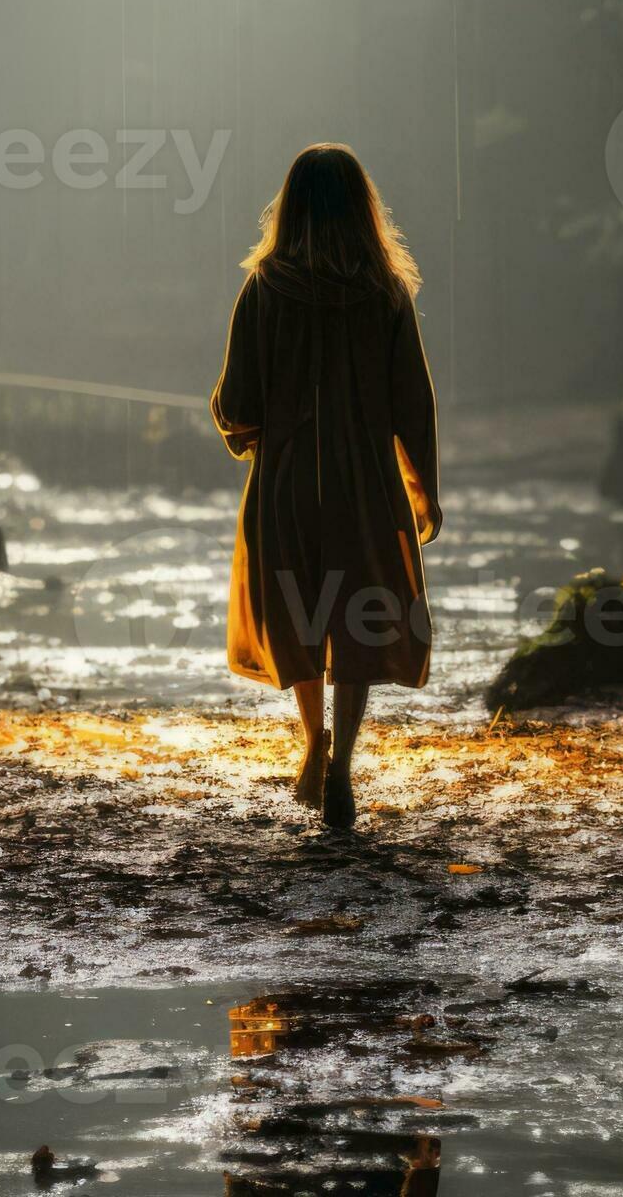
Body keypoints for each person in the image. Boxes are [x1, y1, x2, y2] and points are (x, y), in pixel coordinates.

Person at [211, 143, 441, 833]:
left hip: (285, 481)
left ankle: (313, 744)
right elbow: (413, 399)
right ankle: (343, 766)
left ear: (291, 205)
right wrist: (424, 483)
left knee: (299, 612)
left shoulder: (265, 287)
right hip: (365, 484)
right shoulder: (384, 292)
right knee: (358, 618)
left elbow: (239, 397)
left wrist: (239, 428)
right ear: (363, 209)